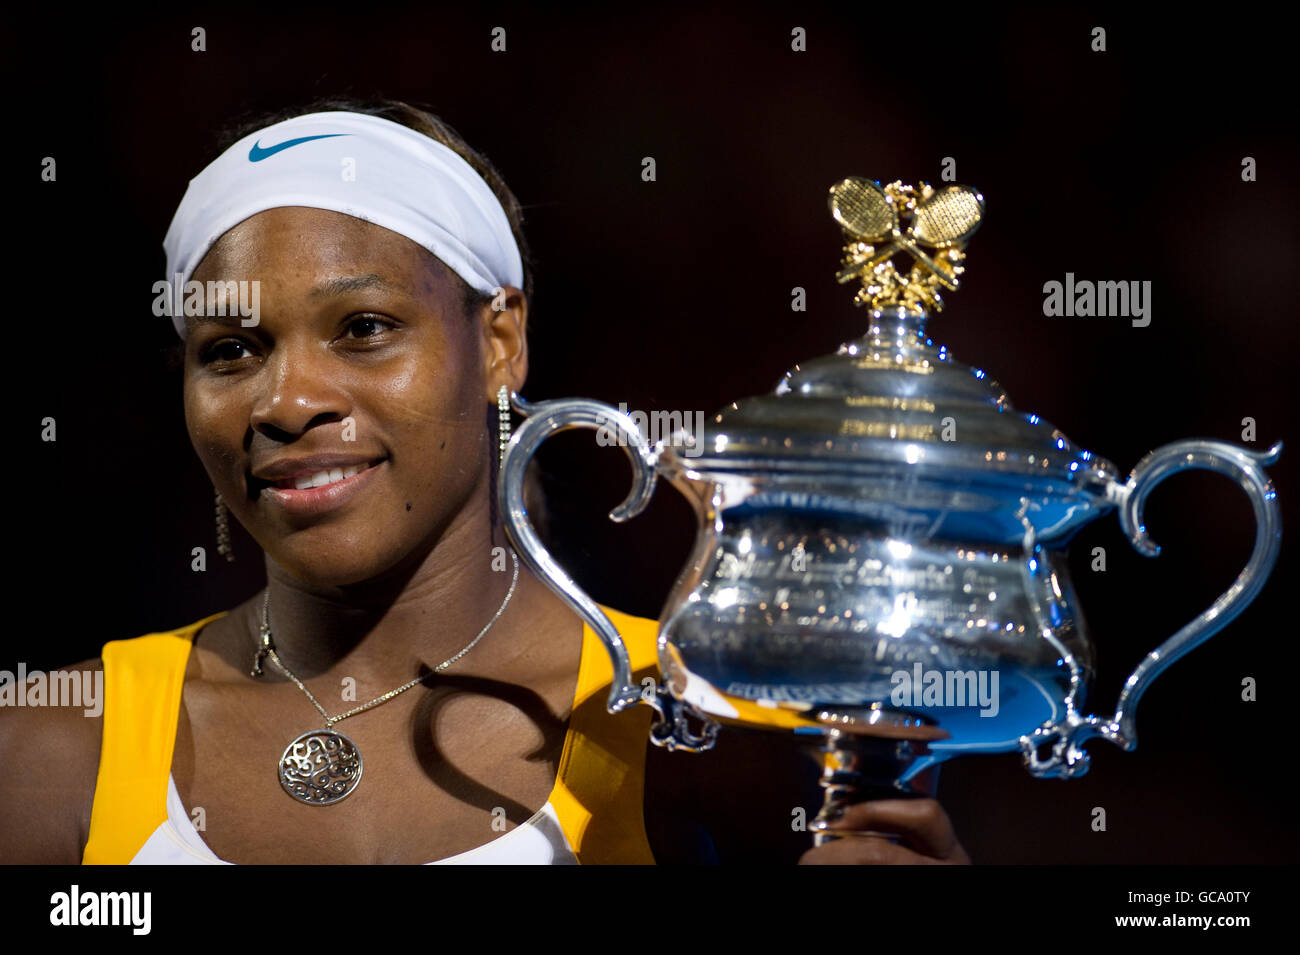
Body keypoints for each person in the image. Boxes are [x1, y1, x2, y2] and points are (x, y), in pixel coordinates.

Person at [0, 97, 969, 865]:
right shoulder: (46, 750)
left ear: (500, 341)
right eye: (233, 349)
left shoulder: (715, 738)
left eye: (364, 328)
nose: (286, 400)